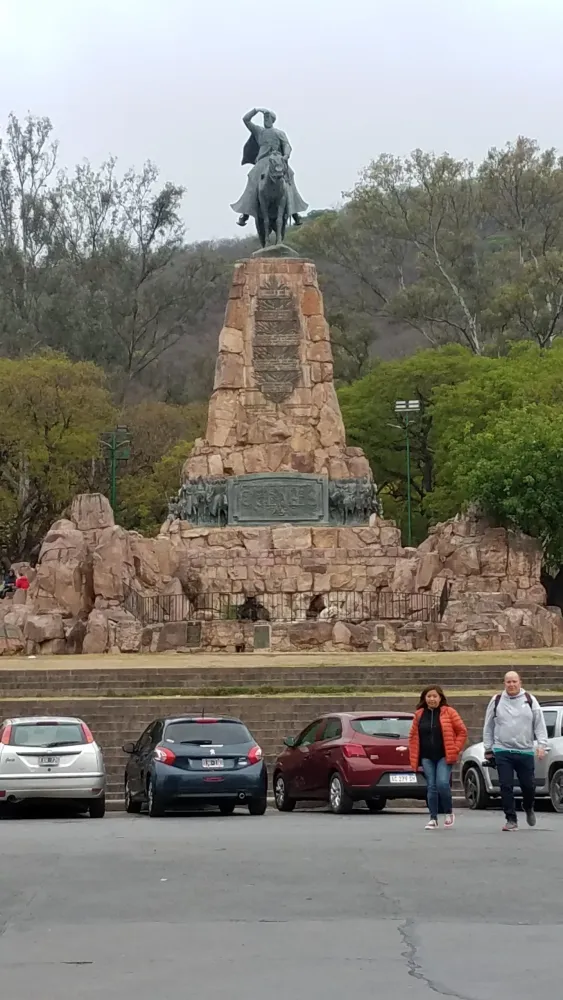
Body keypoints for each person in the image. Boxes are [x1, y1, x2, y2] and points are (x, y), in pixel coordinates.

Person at [483, 670, 548, 831]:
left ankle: (528, 806)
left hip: (525, 750)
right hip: (502, 750)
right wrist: (488, 748)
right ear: (504, 683)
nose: (511, 685)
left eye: (514, 681)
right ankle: (511, 819)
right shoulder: (497, 700)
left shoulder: (530, 700)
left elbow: (539, 724)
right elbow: (489, 725)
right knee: (506, 785)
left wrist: (542, 745)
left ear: (520, 682)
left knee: (528, 786)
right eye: (508, 682)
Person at [231, 108, 308, 228]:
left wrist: (286, 156)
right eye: (264, 118)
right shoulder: (259, 131)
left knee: (290, 175)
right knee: (252, 176)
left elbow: (286, 145)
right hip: (262, 161)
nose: (265, 120)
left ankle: (294, 211)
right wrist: (256, 110)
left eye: (268, 118)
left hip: (277, 160)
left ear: (272, 120)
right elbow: (246, 119)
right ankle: (245, 211)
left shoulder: (279, 133)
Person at [408, 686, 468, 830]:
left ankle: (448, 812)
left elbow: (462, 731)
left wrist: (455, 748)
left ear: (440, 698)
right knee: (431, 786)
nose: (432, 699)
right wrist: (414, 752)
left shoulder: (449, 712)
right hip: (426, 756)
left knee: (442, 783)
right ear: (424, 698)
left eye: (435, 696)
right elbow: (413, 736)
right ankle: (433, 818)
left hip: (444, 755)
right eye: (429, 696)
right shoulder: (419, 714)